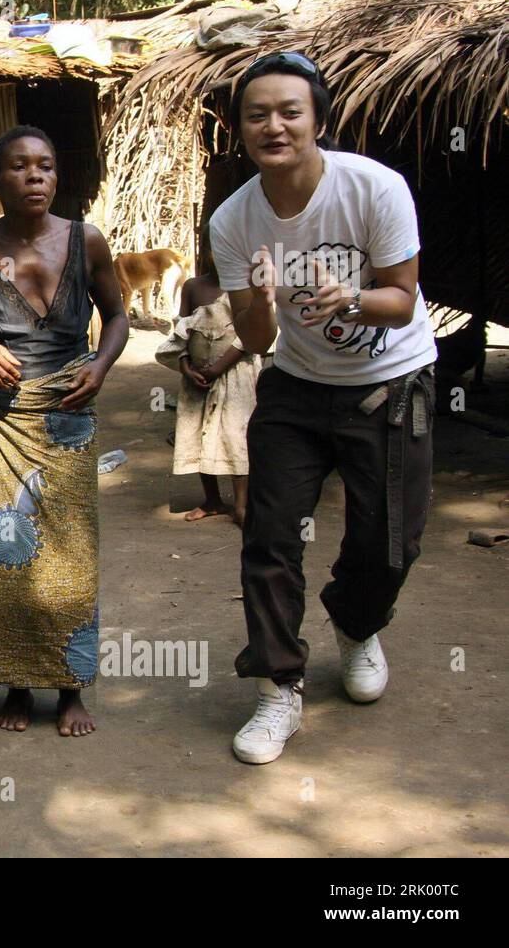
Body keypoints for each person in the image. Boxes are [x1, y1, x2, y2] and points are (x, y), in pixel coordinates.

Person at [211, 52, 437, 765]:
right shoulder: (233, 219)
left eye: (289, 111)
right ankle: (279, 686)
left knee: (390, 540)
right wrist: (254, 295)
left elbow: (400, 301)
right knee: (269, 536)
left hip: (391, 381)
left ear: (318, 119)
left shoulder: (373, 187)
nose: (273, 126)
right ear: (239, 128)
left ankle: (356, 621)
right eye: (257, 115)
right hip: (298, 386)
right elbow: (257, 339)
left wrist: (352, 297)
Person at [0, 125, 128, 736]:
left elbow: (117, 315)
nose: (34, 176)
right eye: (18, 167)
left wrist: (100, 364)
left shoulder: (86, 241)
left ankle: (69, 687)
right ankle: (15, 682)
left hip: (67, 412)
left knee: (69, 552)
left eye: (45, 166)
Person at [155, 226, 260, 526]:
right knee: (199, 433)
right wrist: (186, 364)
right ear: (206, 252)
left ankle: (241, 504)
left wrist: (219, 367)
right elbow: (181, 329)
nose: (221, 256)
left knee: (235, 435)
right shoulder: (193, 287)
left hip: (235, 373)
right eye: (216, 249)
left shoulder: (247, 289)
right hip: (197, 376)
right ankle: (212, 499)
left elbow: (249, 335)